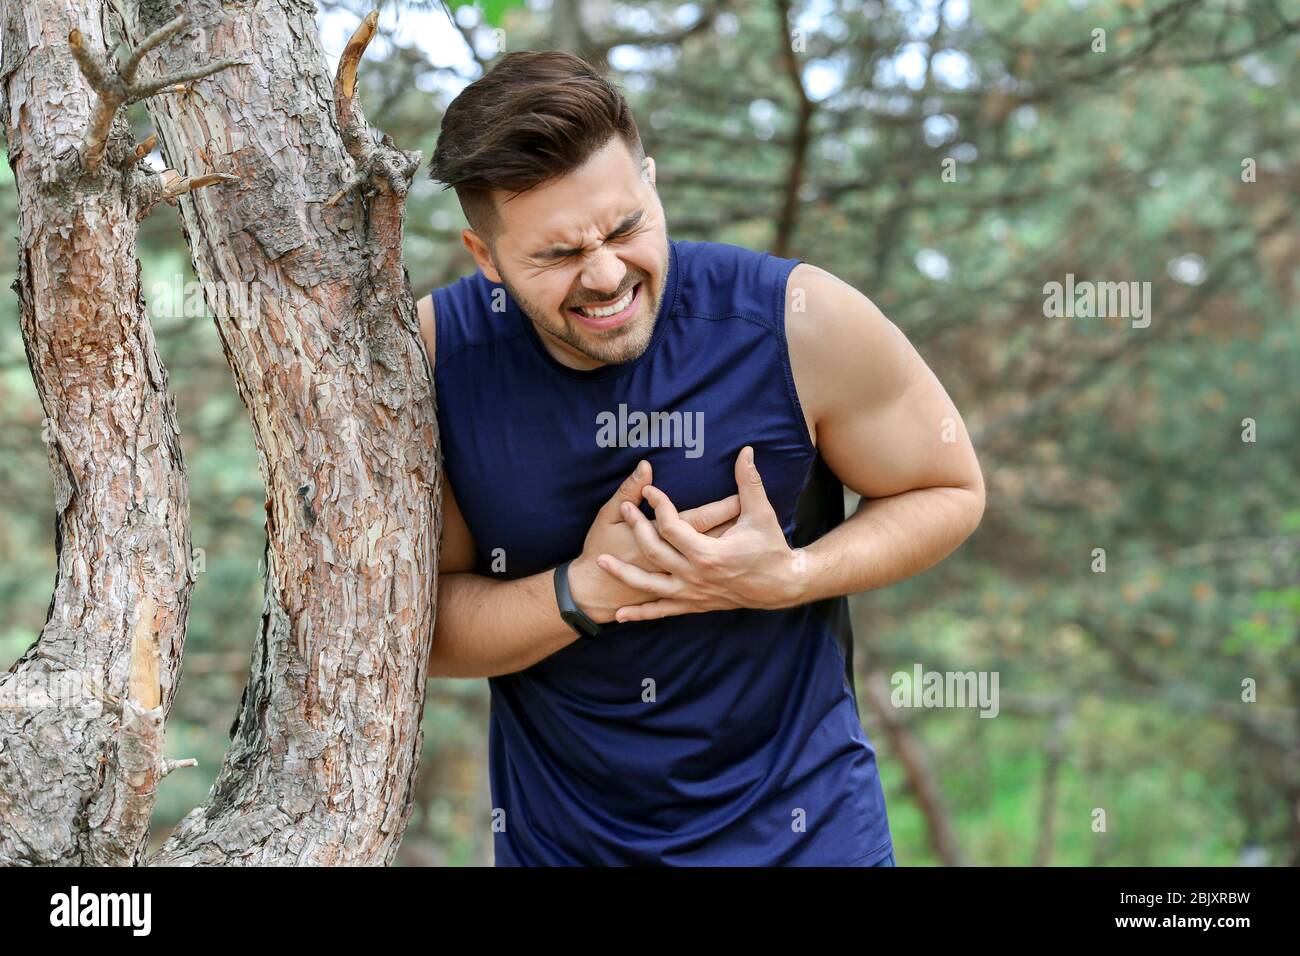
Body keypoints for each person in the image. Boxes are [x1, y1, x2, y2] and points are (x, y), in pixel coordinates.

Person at [419, 50, 984, 866]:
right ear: (485, 255)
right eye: (557, 256)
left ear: (651, 181)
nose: (607, 274)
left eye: (624, 227)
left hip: (807, 835)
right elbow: (421, 629)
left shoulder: (798, 321)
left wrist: (791, 575)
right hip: (563, 848)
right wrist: (584, 590)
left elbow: (950, 488)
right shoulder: (437, 359)